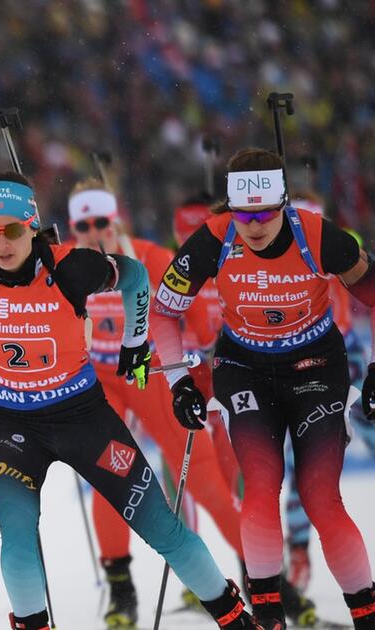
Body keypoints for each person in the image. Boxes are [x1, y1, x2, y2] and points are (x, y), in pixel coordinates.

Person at [0, 170, 256, 630]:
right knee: (18, 541)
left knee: (162, 528)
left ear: (32, 224)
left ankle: (237, 619)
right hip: (11, 425)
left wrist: (135, 341)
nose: (2, 243)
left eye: (14, 230)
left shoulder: (70, 267)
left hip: (82, 418)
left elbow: (137, 277)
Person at [151, 148, 375, 629]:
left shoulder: (316, 235)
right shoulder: (213, 239)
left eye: (266, 212)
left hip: (316, 365)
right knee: (259, 489)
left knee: (320, 498)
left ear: (284, 204)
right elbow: (163, 311)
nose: (254, 224)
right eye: (244, 213)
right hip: (244, 367)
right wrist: (178, 382)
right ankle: (270, 616)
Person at [65, 179, 245, 628]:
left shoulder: (150, 257)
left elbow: (198, 323)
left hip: (149, 374)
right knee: (109, 475)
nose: (93, 233)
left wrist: (202, 357)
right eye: (82, 225)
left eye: (101, 222)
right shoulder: (63, 262)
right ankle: (121, 589)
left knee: (204, 479)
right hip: (97, 380)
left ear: (116, 220)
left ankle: (261, 574)